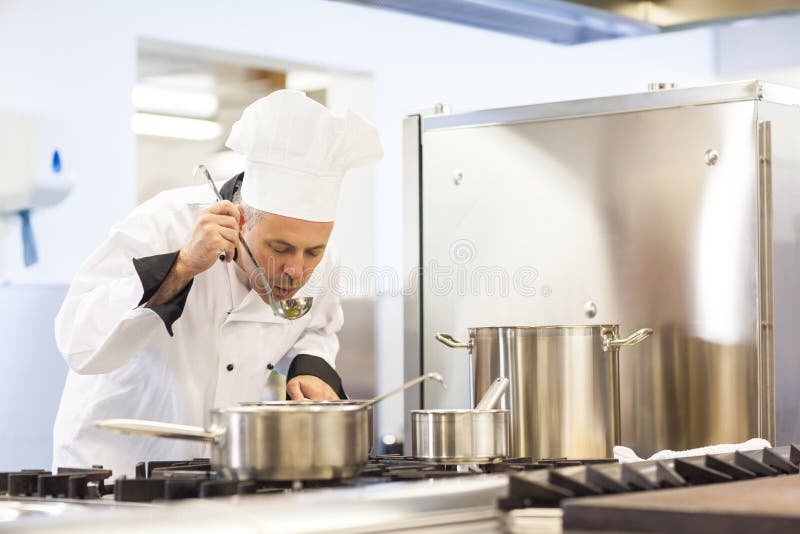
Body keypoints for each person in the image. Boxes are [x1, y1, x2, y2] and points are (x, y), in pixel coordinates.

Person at [52, 89, 383, 476]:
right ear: (240, 221)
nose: (297, 269)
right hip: (112, 468)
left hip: (217, 472)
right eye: (280, 247)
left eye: (313, 251)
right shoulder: (165, 222)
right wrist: (180, 267)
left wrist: (309, 368)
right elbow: (78, 341)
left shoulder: (321, 259)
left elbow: (317, 330)